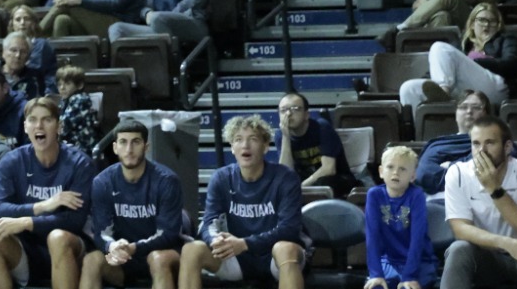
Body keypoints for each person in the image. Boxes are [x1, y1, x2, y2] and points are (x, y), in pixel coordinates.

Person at [0, 96, 96, 289]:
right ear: (25, 127)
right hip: (26, 249)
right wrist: (42, 206)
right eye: (33, 120)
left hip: (70, 246)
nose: (39, 126)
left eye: (47, 120)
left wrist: (26, 222)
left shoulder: (80, 164)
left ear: (59, 127)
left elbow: (74, 221)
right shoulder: (12, 161)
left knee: (57, 237)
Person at [180, 115, 306, 289]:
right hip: (236, 256)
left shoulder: (285, 178)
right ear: (232, 147)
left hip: (275, 256)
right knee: (191, 249)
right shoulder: (222, 178)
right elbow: (209, 221)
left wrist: (245, 243)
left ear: (265, 146)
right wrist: (215, 240)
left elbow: (289, 229)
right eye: (238, 140)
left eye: (253, 139)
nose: (245, 145)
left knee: (286, 249)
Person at [442, 115, 517, 289]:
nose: (481, 150)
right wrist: (507, 243)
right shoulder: (458, 173)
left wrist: (494, 189)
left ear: (507, 147)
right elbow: (460, 229)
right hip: (491, 256)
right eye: (476, 143)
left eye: (490, 143)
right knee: (458, 249)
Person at [82, 121, 184, 289]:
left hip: (161, 254)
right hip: (123, 257)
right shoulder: (103, 182)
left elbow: (168, 235)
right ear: (115, 148)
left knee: (158, 260)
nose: (129, 149)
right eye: (123, 142)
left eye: (135, 142)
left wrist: (134, 247)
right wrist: (112, 246)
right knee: (92, 260)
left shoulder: (166, 180)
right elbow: (101, 233)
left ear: (146, 147)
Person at [397, 1, 517, 115]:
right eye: (481, 20)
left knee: (439, 47)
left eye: (491, 21)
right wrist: (428, 82)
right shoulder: (461, 45)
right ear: (472, 24)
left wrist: (477, 62)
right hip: (463, 90)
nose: (486, 25)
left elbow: (513, 64)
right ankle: (421, 133)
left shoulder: (505, 40)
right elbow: (441, 66)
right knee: (408, 88)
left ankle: (444, 92)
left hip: (495, 88)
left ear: (498, 25)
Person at [363, 145, 433, 289]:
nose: (396, 172)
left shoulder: (417, 195)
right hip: (388, 260)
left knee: (408, 287)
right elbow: (372, 236)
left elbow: (417, 238)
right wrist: (376, 273)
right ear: (381, 171)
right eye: (390, 167)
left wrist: (409, 276)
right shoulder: (374, 195)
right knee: (376, 286)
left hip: (419, 261)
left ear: (413, 176)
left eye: (403, 169)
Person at [275, 92, 358, 198]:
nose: (288, 114)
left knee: (323, 183)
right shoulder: (280, 135)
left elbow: (329, 169)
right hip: (306, 180)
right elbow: (286, 174)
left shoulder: (321, 128)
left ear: (306, 114)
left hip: (337, 178)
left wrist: (301, 187)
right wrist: (286, 137)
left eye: (295, 109)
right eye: (283, 110)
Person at [417, 89, 495, 194]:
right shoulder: (438, 143)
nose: (469, 111)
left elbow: (493, 167)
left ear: (487, 115)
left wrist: (452, 166)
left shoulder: (496, 142)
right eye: (463, 107)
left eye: (476, 107)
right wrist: (463, 175)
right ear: (456, 115)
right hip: (434, 198)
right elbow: (423, 173)